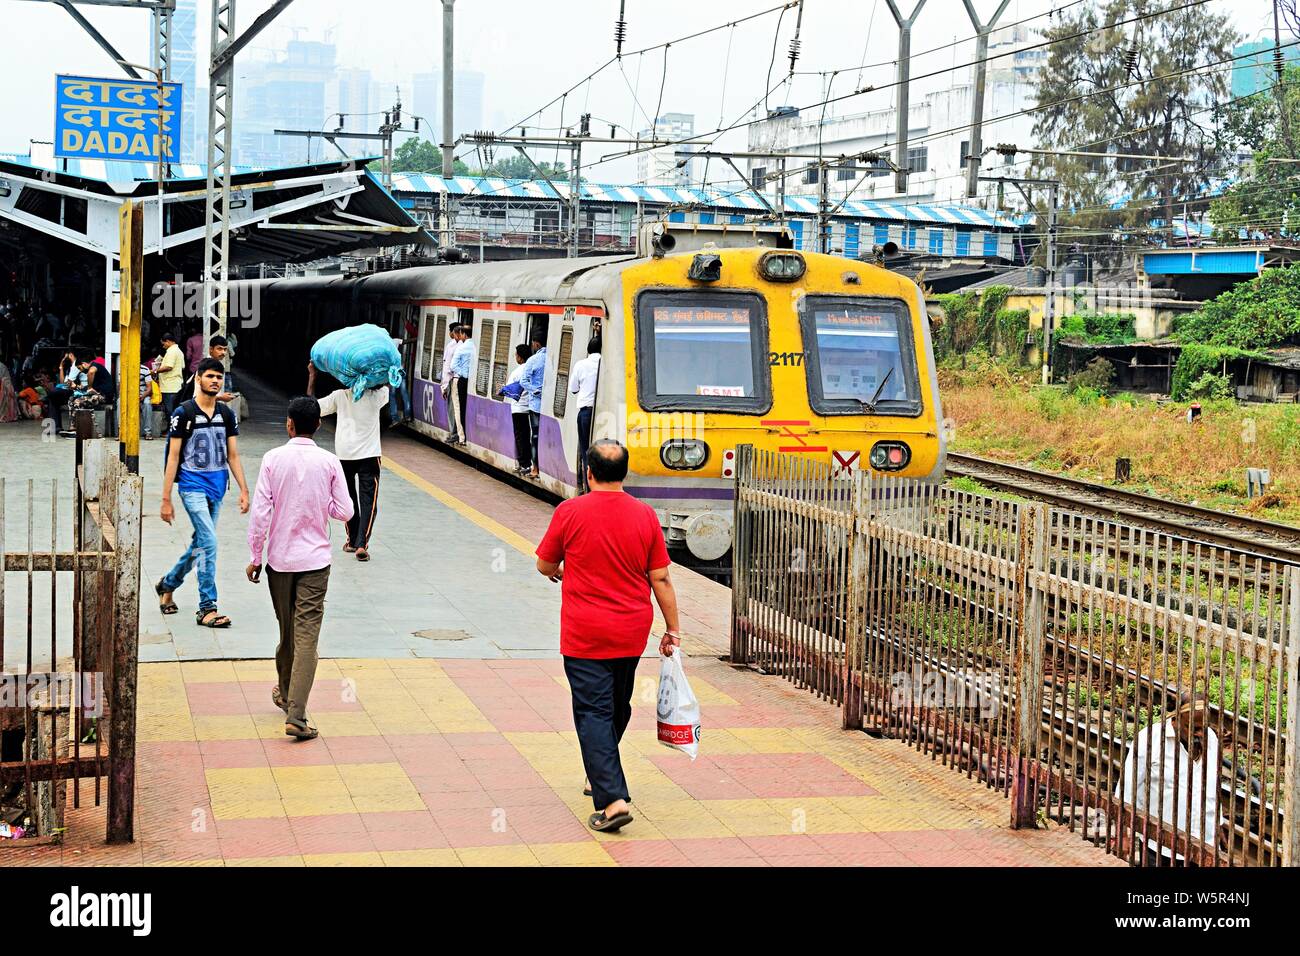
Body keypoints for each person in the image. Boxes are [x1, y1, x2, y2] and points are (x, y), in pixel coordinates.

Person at [535, 440, 682, 834]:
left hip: (585, 634)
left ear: (588, 472)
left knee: (595, 712)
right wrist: (673, 629)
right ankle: (598, 774)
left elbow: (544, 563)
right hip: (631, 632)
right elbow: (661, 577)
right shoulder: (645, 515)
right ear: (625, 473)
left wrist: (564, 570)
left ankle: (613, 800)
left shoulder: (570, 512)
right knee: (618, 705)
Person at [246, 396, 354, 741]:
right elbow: (346, 511)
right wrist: (322, 502)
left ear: (289, 425)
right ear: (319, 425)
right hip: (315, 561)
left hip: (279, 562)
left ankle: (286, 694)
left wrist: (255, 555)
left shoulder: (272, 459)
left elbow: (261, 512)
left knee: (287, 632)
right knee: (306, 635)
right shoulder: (330, 461)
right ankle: (296, 713)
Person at [157, 357, 250, 628]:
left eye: (219, 377)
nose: (215, 381)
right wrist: (165, 499)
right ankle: (207, 607)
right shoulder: (183, 413)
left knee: (200, 544)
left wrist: (244, 489)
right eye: (210, 376)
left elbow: (232, 455)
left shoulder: (226, 414)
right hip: (191, 486)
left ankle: (168, 584)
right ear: (198, 378)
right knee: (209, 543)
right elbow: (173, 457)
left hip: (217, 487)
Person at [1115, 692, 1225, 866]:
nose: (1200, 734)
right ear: (1176, 719)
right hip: (1160, 847)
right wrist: (1123, 834)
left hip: (1204, 847)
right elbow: (1127, 787)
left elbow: (1213, 786)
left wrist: (1218, 826)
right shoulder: (1150, 738)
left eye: (1203, 728)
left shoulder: (1211, 738)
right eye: (1193, 728)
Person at [307, 360, 387, 562]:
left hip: (345, 455)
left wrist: (312, 376)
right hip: (370, 456)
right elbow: (387, 383)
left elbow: (311, 407)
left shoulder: (340, 396)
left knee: (347, 500)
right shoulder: (377, 396)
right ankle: (361, 544)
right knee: (369, 500)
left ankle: (352, 540)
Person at [174, 335, 239, 414]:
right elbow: (196, 395)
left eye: (225, 349)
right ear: (211, 349)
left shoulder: (216, 365)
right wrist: (221, 397)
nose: (223, 352)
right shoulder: (205, 367)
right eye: (219, 349)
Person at [569, 335, 601, 492]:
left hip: (586, 412)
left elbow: (573, 388)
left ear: (588, 350)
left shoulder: (581, 364)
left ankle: (589, 489)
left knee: (586, 450)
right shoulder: (607, 364)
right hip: (604, 413)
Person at [498, 343, 533, 475]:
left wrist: (501, 389)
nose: (515, 357)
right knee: (527, 436)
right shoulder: (530, 369)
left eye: (516, 355)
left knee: (520, 437)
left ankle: (524, 464)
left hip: (518, 409)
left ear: (520, 357)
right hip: (529, 408)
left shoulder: (517, 372)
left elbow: (508, 390)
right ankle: (528, 463)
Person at [519, 328, 548, 479]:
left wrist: (534, 390)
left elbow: (523, 381)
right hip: (548, 405)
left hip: (536, 405)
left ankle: (535, 468)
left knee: (535, 436)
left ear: (536, 344)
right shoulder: (551, 357)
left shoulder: (532, 360)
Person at [449, 322, 475, 446]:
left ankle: (461, 437)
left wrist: (463, 373)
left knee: (458, 409)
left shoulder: (461, 348)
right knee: (466, 407)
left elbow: (452, 366)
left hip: (461, 380)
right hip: (471, 381)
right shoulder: (474, 347)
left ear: (463, 335)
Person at [157, 331, 185, 417]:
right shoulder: (179, 351)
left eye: (163, 343)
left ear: (168, 341)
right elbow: (182, 367)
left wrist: (155, 371)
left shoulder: (171, 351)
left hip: (169, 387)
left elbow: (169, 367)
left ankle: (172, 429)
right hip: (176, 385)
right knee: (175, 410)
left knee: (171, 412)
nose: (163, 346)